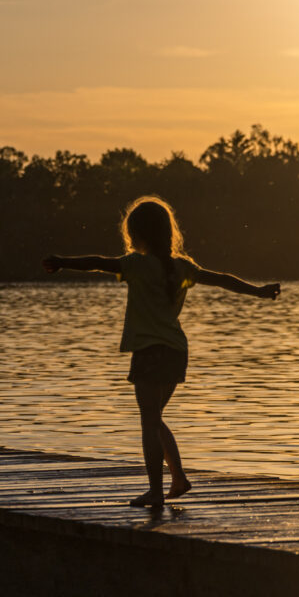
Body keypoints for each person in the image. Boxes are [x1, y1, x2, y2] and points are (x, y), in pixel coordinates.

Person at [42, 196, 280, 509]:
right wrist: (258, 291)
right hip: (176, 351)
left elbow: (99, 262)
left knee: (148, 422)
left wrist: (62, 261)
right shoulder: (182, 267)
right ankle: (178, 479)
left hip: (149, 350)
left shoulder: (137, 265)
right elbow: (222, 280)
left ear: (137, 235)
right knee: (154, 418)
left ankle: (156, 491)